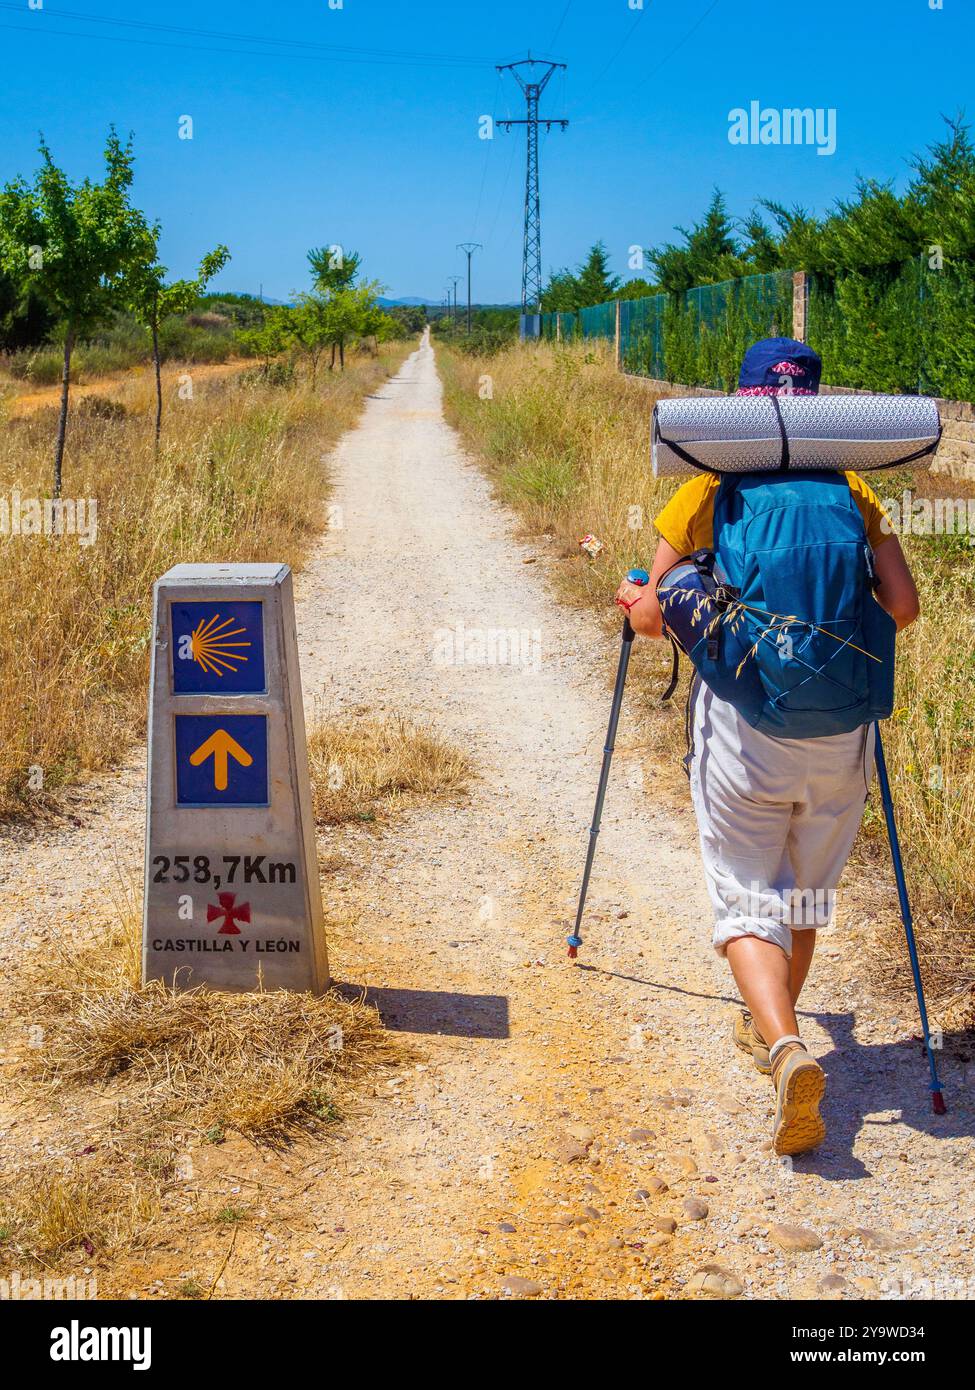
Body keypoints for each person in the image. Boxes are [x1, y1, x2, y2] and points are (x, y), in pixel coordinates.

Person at [615, 339, 920, 1156]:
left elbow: (652, 620)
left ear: (739, 399)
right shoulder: (850, 490)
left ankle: (784, 1045)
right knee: (807, 888)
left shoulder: (706, 491)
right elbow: (902, 606)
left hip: (743, 727)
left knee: (746, 891)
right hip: (842, 729)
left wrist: (639, 598)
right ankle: (771, 1028)